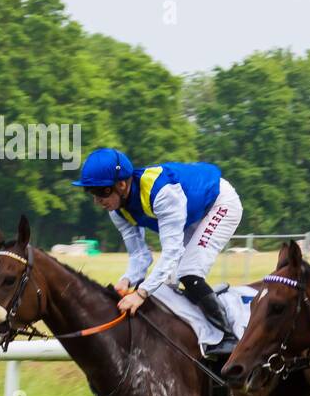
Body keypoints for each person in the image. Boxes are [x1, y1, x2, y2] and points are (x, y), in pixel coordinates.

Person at [71, 147, 243, 354]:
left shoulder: (162, 192)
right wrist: (126, 281)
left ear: (121, 184)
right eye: (91, 192)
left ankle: (230, 337)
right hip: (192, 215)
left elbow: (171, 252)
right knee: (166, 287)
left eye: (101, 192)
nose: (97, 201)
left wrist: (141, 294)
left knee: (189, 273)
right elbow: (140, 255)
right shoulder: (117, 211)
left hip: (219, 203)